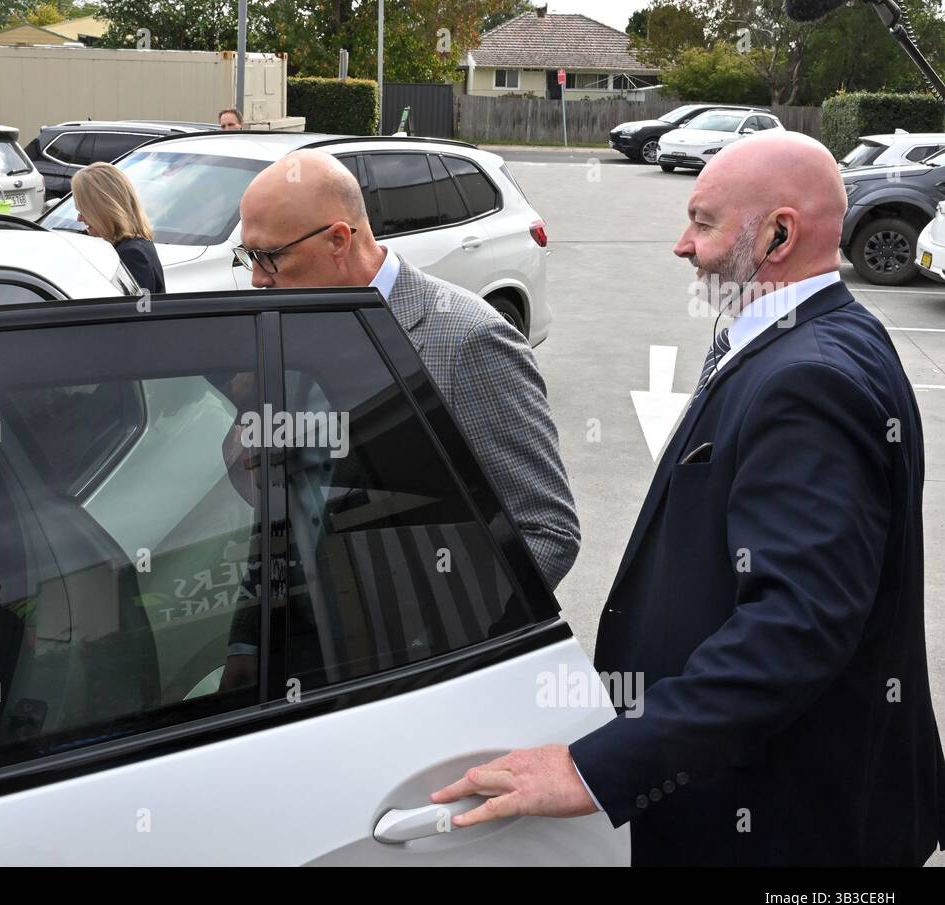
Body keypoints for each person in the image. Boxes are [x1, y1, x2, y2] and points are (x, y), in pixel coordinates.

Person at [431, 131, 945, 866]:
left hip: (779, 820)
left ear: (778, 233)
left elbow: (793, 629)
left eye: (703, 222)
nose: (681, 245)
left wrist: (596, 768)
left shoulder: (809, 379)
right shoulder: (825, 332)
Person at [235, 150, 579, 589]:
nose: (257, 278)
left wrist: (429, 633)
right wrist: (247, 636)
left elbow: (546, 532)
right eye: (249, 255)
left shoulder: (468, 340)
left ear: (338, 240)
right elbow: (283, 506)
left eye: (268, 256)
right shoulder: (291, 330)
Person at [70, 162, 165, 294]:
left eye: (83, 211)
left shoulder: (131, 256)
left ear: (103, 210)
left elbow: (140, 311)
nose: (79, 218)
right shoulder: (135, 245)